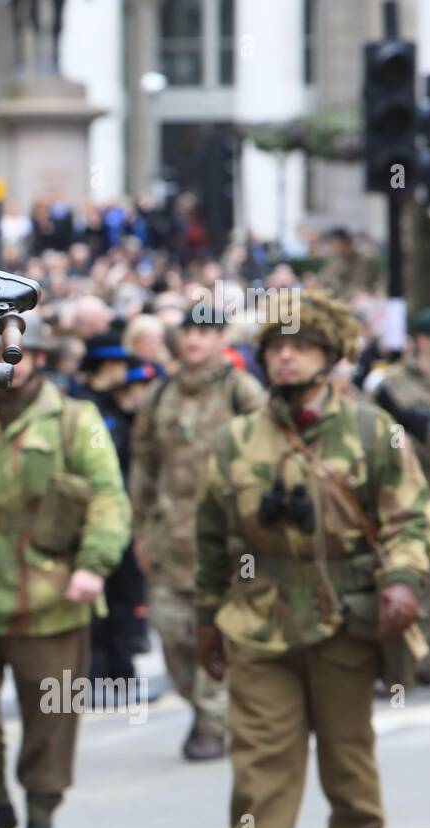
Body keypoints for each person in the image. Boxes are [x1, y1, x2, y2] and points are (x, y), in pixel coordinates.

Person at [193, 290, 430, 828]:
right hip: (258, 622)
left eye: (303, 347)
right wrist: (207, 617)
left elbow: (411, 517)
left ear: (331, 356)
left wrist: (402, 581)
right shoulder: (237, 439)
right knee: (259, 766)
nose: (286, 358)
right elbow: (210, 536)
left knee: (348, 763)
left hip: (345, 621)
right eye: (278, 347)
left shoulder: (373, 431)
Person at [0, 313, 131, 828]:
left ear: (44, 359)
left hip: (52, 590)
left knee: (50, 714)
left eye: (20, 353)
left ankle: (42, 814)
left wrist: (93, 564)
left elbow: (107, 497)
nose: (8, 364)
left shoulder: (78, 420)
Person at [130, 305, 266, 759]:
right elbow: (144, 467)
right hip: (170, 538)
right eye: (187, 331)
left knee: (221, 631)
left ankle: (214, 722)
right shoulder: (161, 394)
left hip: (227, 541)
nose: (194, 340)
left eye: (204, 332)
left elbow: (267, 461)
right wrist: (140, 529)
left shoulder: (241, 390)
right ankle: (206, 708)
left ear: (220, 337)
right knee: (174, 637)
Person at [370, 306, 430, 698]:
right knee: (415, 582)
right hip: (410, 501)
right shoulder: (392, 386)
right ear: (421, 340)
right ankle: (411, 664)